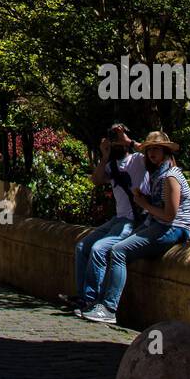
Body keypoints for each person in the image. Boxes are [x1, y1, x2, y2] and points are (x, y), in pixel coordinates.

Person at [81, 131, 190, 326]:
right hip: (159, 224)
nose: (151, 153)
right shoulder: (159, 173)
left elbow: (170, 215)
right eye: (149, 150)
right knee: (111, 249)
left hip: (173, 228)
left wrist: (143, 203)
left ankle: (109, 308)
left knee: (118, 251)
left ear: (166, 151)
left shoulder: (170, 176)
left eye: (156, 149)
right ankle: (97, 302)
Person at [63, 123, 145, 314]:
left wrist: (128, 140)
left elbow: (154, 151)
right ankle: (83, 297)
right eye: (113, 136)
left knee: (99, 249)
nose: (116, 140)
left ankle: (92, 300)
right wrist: (105, 154)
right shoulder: (112, 165)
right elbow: (96, 179)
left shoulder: (139, 160)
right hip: (118, 219)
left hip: (133, 220)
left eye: (118, 136)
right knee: (82, 246)